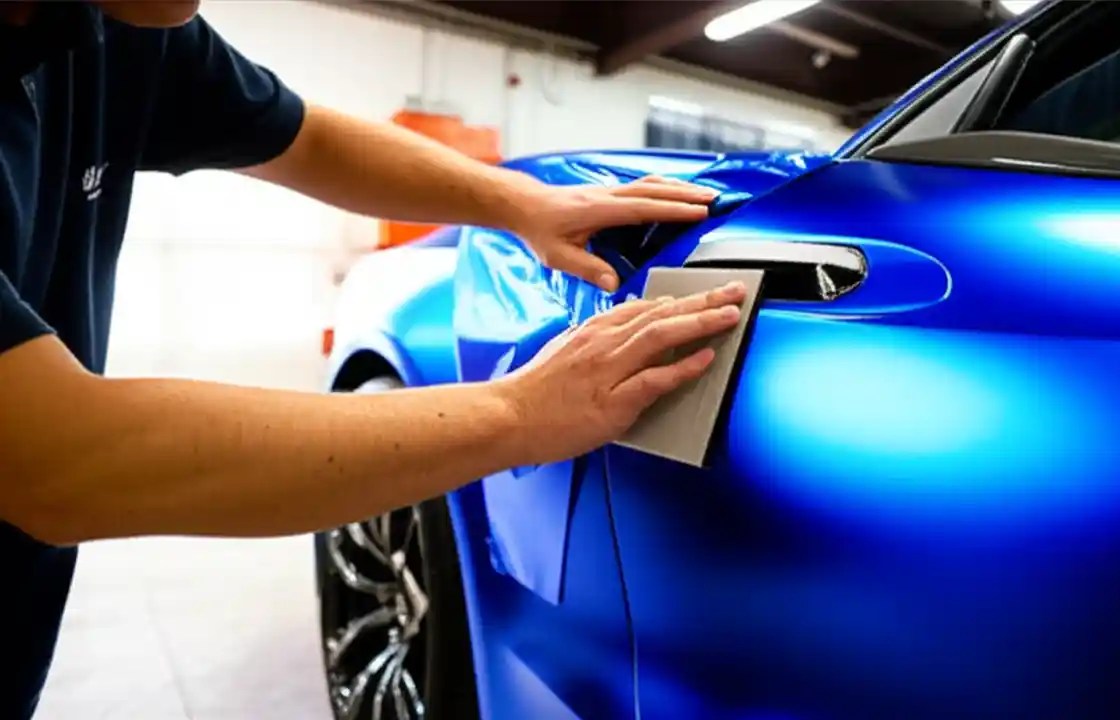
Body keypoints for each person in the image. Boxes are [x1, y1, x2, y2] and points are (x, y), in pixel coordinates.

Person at [0, 1, 747, 716]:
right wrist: (519, 414)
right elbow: (50, 458)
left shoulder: (117, 29)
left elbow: (305, 138)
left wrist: (523, 204)